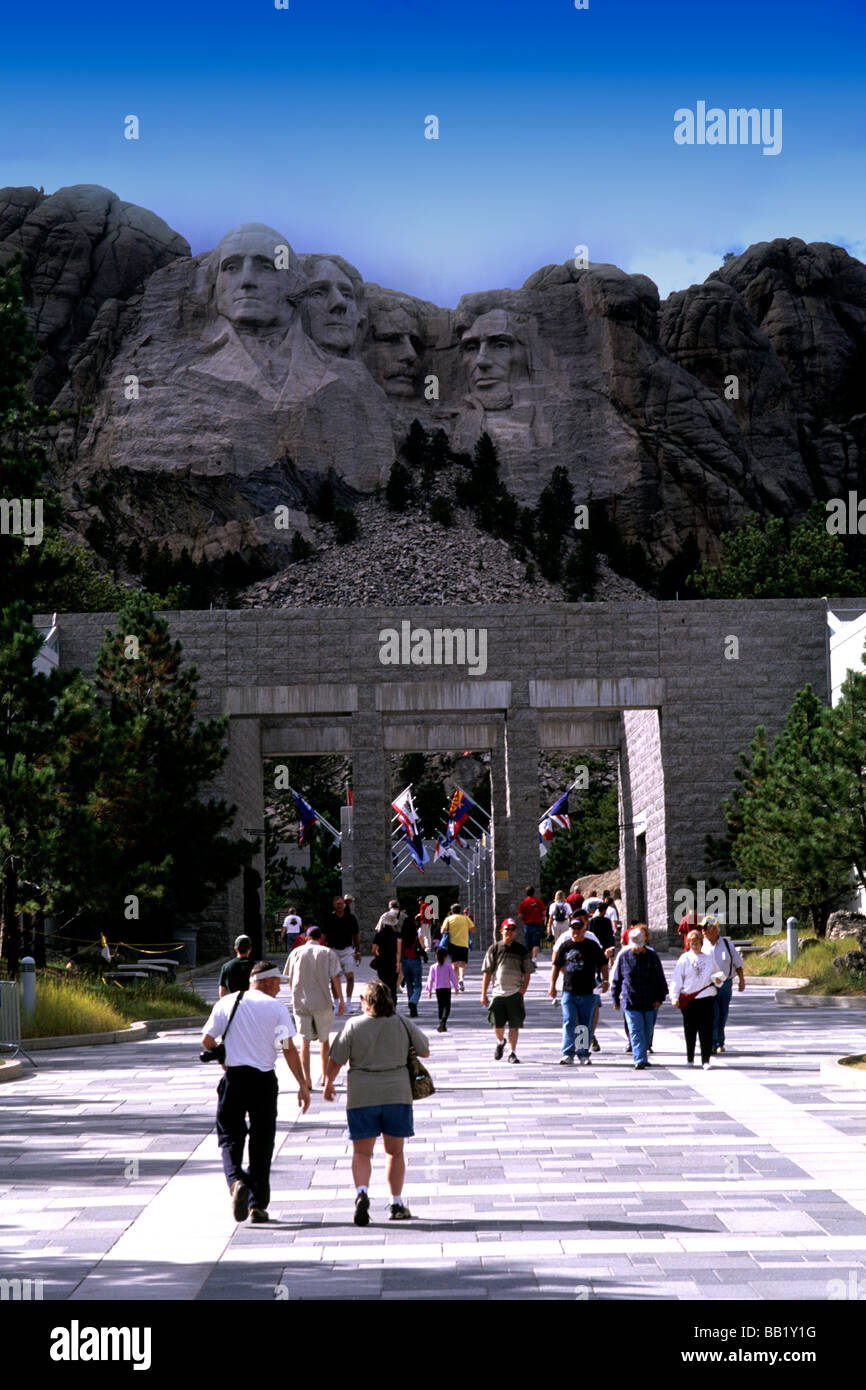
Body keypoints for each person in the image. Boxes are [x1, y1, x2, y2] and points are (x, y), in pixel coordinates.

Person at [202, 959, 310, 1223]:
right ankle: (257, 1205)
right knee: (262, 1142)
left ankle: (236, 1181)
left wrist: (223, 1059)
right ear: (266, 981)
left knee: (229, 1136)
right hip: (263, 1081)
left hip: (234, 1079)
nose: (279, 989)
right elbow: (288, 1048)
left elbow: (206, 1040)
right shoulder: (276, 1008)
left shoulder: (226, 1002)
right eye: (277, 984)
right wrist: (302, 1084)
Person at [324, 980, 429, 1225]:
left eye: (362, 998)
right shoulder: (402, 1022)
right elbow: (425, 1051)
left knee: (362, 1153)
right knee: (394, 1152)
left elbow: (336, 1059)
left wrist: (328, 1082)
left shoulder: (353, 1025)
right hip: (397, 1094)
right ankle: (396, 1203)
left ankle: (362, 1193)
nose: (360, 1002)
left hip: (362, 1095)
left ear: (368, 1001)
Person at [284, 926, 344, 1089]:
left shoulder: (295, 953)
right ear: (320, 938)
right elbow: (336, 977)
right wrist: (342, 1001)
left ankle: (307, 1080)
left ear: (306, 937)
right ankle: (325, 1077)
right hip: (323, 1002)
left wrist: (294, 994)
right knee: (324, 1041)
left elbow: (289, 978)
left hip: (301, 1002)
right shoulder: (327, 953)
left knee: (305, 1042)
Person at [549, 917, 609, 1065]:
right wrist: (552, 986)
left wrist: (606, 981)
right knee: (569, 1020)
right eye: (573, 928)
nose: (575, 931)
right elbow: (556, 966)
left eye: (578, 928)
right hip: (569, 990)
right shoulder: (565, 946)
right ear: (570, 929)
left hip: (588, 990)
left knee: (584, 1023)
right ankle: (568, 1053)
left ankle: (582, 1053)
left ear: (583, 929)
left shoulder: (592, 945)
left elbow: (603, 964)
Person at [611, 927, 668, 1070]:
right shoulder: (624, 957)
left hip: (650, 1001)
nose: (636, 949)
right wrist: (615, 999)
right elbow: (617, 980)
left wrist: (660, 998)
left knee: (647, 1031)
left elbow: (660, 978)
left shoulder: (652, 956)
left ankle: (643, 1054)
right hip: (631, 1001)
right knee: (636, 1031)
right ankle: (640, 1058)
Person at [480, 919, 533, 1064]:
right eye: (506, 929)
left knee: (514, 1025)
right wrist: (483, 993)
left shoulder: (521, 950)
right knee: (497, 1025)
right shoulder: (494, 949)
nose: (509, 931)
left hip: (515, 992)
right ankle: (500, 1041)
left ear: (516, 931)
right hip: (498, 993)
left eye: (512, 929)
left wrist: (523, 989)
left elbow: (528, 971)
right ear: (501, 931)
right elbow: (487, 972)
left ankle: (512, 1052)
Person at [671, 929, 725, 1068]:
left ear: (701, 943)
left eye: (697, 943)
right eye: (692, 943)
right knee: (690, 1030)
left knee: (706, 1030)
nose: (695, 946)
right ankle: (690, 1058)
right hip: (690, 999)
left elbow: (717, 975)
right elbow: (677, 979)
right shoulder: (684, 958)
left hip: (706, 998)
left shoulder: (709, 958)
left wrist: (719, 979)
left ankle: (706, 1060)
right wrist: (674, 996)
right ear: (688, 944)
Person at [700, 916, 746, 1054]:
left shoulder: (726, 943)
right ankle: (713, 1043)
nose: (703, 931)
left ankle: (720, 1042)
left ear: (714, 928)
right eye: (702, 929)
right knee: (712, 1014)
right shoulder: (701, 945)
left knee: (723, 1013)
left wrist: (742, 980)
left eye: (705, 928)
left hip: (725, 984)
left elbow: (737, 963)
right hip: (709, 985)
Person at [323, 895, 361, 1012]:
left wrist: (358, 952)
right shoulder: (329, 918)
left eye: (341, 904)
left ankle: (348, 1003)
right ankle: (337, 1003)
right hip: (333, 950)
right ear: (334, 906)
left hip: (347, 950)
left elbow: (356, 935)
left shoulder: (351, 918)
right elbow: (323, 936)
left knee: (350, 976)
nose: (339, 906)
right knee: (335, 978)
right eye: (337, 904)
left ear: (344, 905)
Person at [372, 901, 402, 1003]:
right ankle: (393, 1002)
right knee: (393, 984)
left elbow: (373, 949)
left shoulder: (379, 934)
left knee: (383, 983)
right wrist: (398, 963)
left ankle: (385, 1002)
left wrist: (377, 955)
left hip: (381, 962)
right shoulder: (396, 935)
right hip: (392, 962)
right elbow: (398, 951)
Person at [440, 903, 473, 991]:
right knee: (462, 963)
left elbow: (442, 931)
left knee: (454, 964)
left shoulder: (448, 919)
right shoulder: (466, 919)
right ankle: (461, 979)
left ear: (452, 911)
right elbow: (473, 929)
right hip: (463, 944)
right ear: (460, 910)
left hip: (452, 944)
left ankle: (457, 981)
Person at [399, 912, 425, 1018]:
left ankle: (412, 1007)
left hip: (405, 961)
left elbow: (399, 952)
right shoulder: (416, 935)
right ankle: (413, 1002)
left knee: (409, 985)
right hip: (415, 961)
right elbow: (423, 947)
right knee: (418, 985)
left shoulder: (401, 937)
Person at [426, 947, 459, 1032]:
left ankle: (441, 1022)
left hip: (438, 989)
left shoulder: (433, 967)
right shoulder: (448, 966)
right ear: (445, 957)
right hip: (447, 988)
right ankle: (443, 1021)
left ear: (436, 956)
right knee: (447, 1006)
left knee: (440, 1006)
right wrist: (456, 987)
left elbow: (430, 979)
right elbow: (453, 977)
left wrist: (429, 990)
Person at [518, 884, 547, 958]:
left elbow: (520, 915)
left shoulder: (523, 902)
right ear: (534, 893)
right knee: (536, 944)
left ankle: (530, 959)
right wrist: (541, 917)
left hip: (527, 925)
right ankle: (534, 959)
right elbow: (544, 912)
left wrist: (525, 920)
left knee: (529, 945)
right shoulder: (538, 901)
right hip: (537, 925)